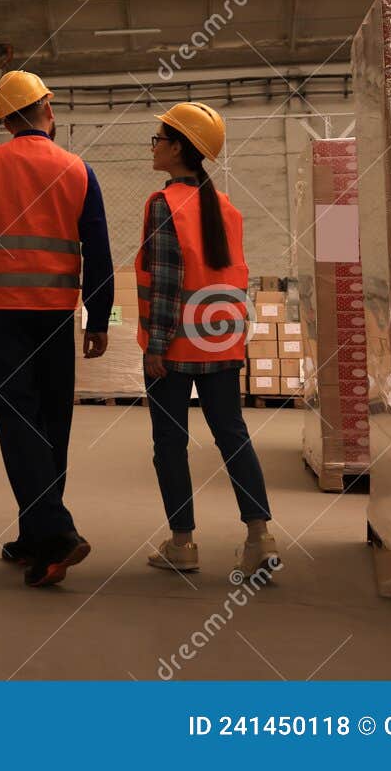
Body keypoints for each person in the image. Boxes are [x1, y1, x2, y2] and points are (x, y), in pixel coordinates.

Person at [0, 71, 113, 588]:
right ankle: (36, 539)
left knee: (18, 421)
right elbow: (99, 251)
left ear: (4, 119)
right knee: (50, 423)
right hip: (55, 315)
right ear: (48, 110)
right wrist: (99, 315)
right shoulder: (78, 170)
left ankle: (56, 533)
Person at [136, 102, 280, 578]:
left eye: (158, 139)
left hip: (174, 346)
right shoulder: (226, 208)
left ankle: (183, 544)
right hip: (221, 341)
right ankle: (259, 537)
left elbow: (165, 280)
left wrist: (156, 345)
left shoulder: (164, 205)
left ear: (178, 148)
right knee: (233, 436)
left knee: (170, 444)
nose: (154, 146)